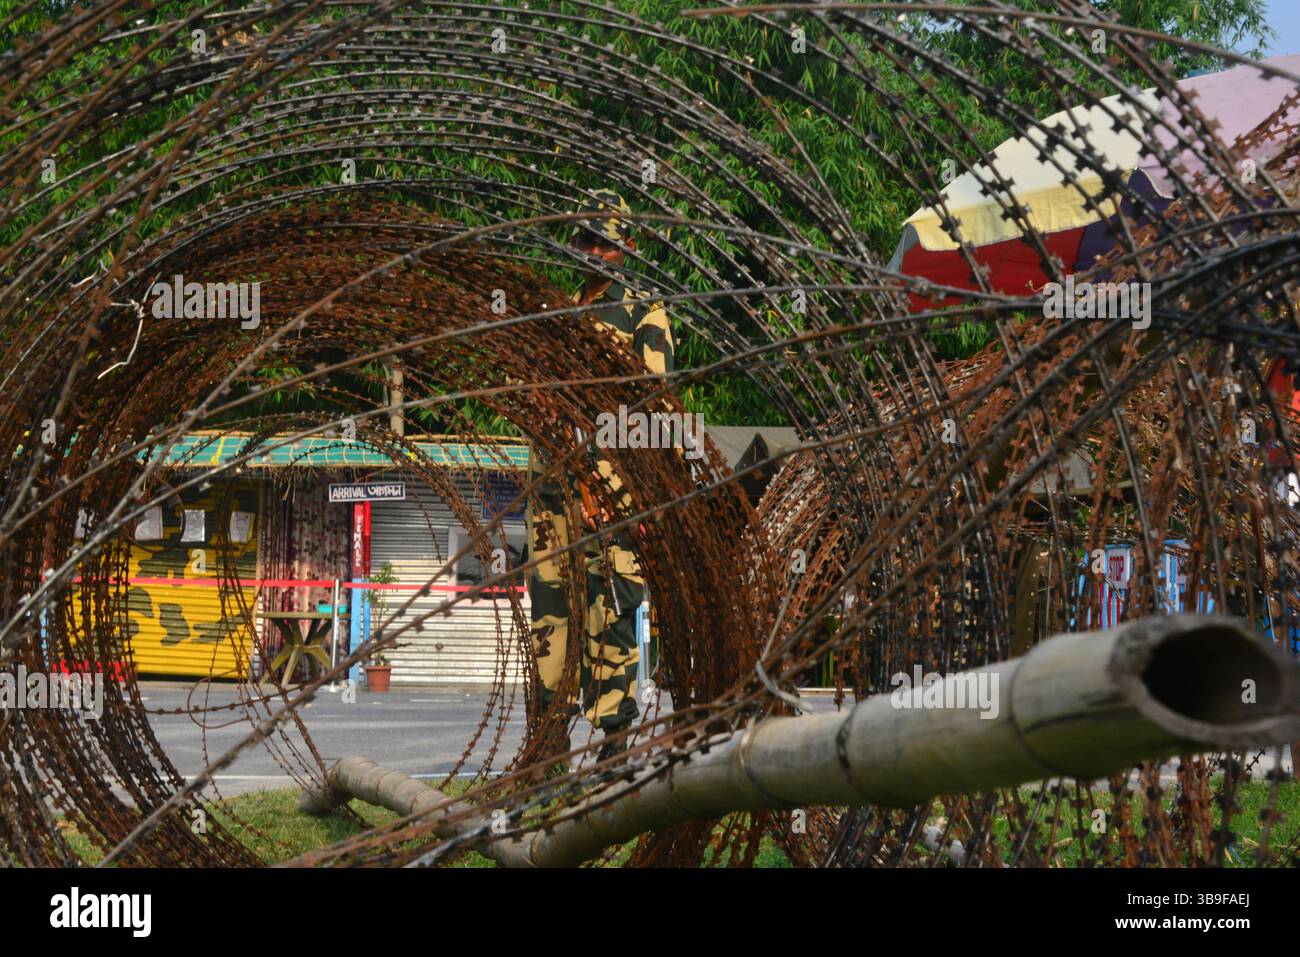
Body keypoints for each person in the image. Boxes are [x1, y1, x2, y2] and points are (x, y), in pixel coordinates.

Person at [526, 190, 673, 762]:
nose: (591, 252)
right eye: (584, 240)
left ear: (627, 247)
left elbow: (654, 410)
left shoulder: (641, 312)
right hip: (553, 493)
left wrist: (618, 489)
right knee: (550, 610)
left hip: (612, 492)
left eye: (604, 244)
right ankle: (549, 736)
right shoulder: (557, 312)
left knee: (612, 607)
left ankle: (614, 742)